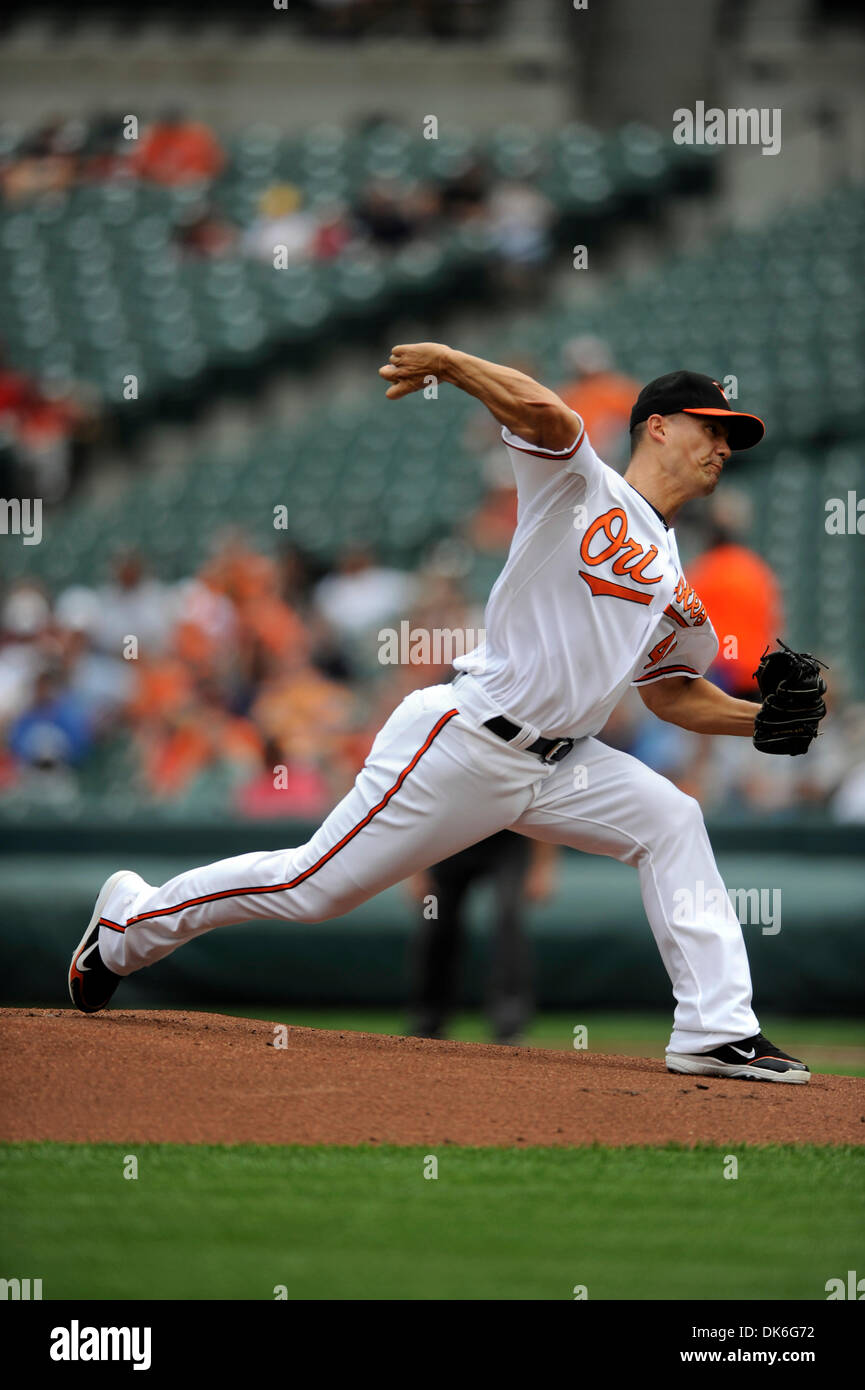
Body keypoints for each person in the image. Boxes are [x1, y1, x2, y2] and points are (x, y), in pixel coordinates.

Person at [69, 346, 816, 1085]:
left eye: (730, 437)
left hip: (563, 766)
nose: (722, 446)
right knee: (312, 889)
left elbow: (669, 694)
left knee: (672, 821)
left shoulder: (675, 583)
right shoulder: (580, 486)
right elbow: (549, 415)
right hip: (465, 736)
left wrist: (755, 721)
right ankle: (128, 922)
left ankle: (716, 1032)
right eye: (710, 427)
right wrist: (454, 366)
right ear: (655, 426)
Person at [406, 831, 556, 1045]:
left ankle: (509, 1027)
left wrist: (543, 868)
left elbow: (539, 807)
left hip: (508, 841)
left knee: (509, 919)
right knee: (435, 920)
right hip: (452, 841)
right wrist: (415, 871)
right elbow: (419, 806)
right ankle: (427, 1023)